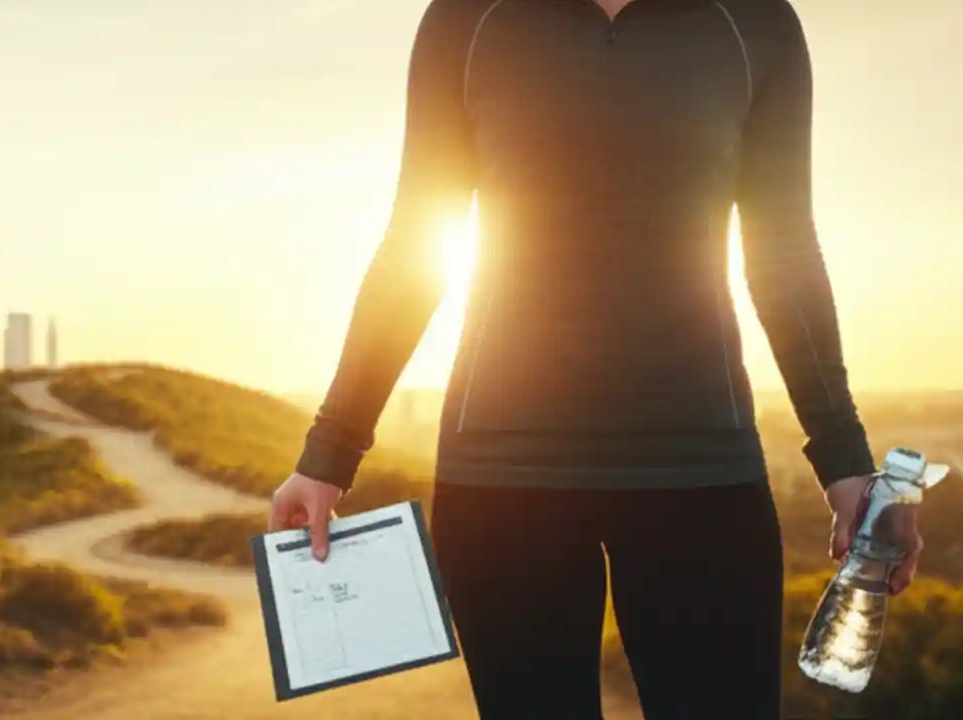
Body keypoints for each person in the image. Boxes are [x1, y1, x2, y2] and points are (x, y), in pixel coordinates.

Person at [269, 0, 925, 718]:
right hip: (502, 488)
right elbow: (414, 242)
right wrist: (329, 453)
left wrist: (844, 459)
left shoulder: (754, 21)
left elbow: (784, 250)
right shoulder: (465, 19)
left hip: (701, 474)